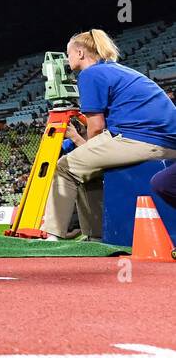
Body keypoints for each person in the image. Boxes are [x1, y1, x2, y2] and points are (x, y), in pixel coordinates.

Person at [42, 29, 176, 241]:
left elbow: (96, 127)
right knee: (87, 170)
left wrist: (84, 146)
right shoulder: (117, 70)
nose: (68, 61)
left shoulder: (90, 74)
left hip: (143, 139)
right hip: (163, 140)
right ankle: (95, 238)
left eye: (69, 54)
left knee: (65, 167)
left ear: (80, 53)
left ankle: (51, 234)